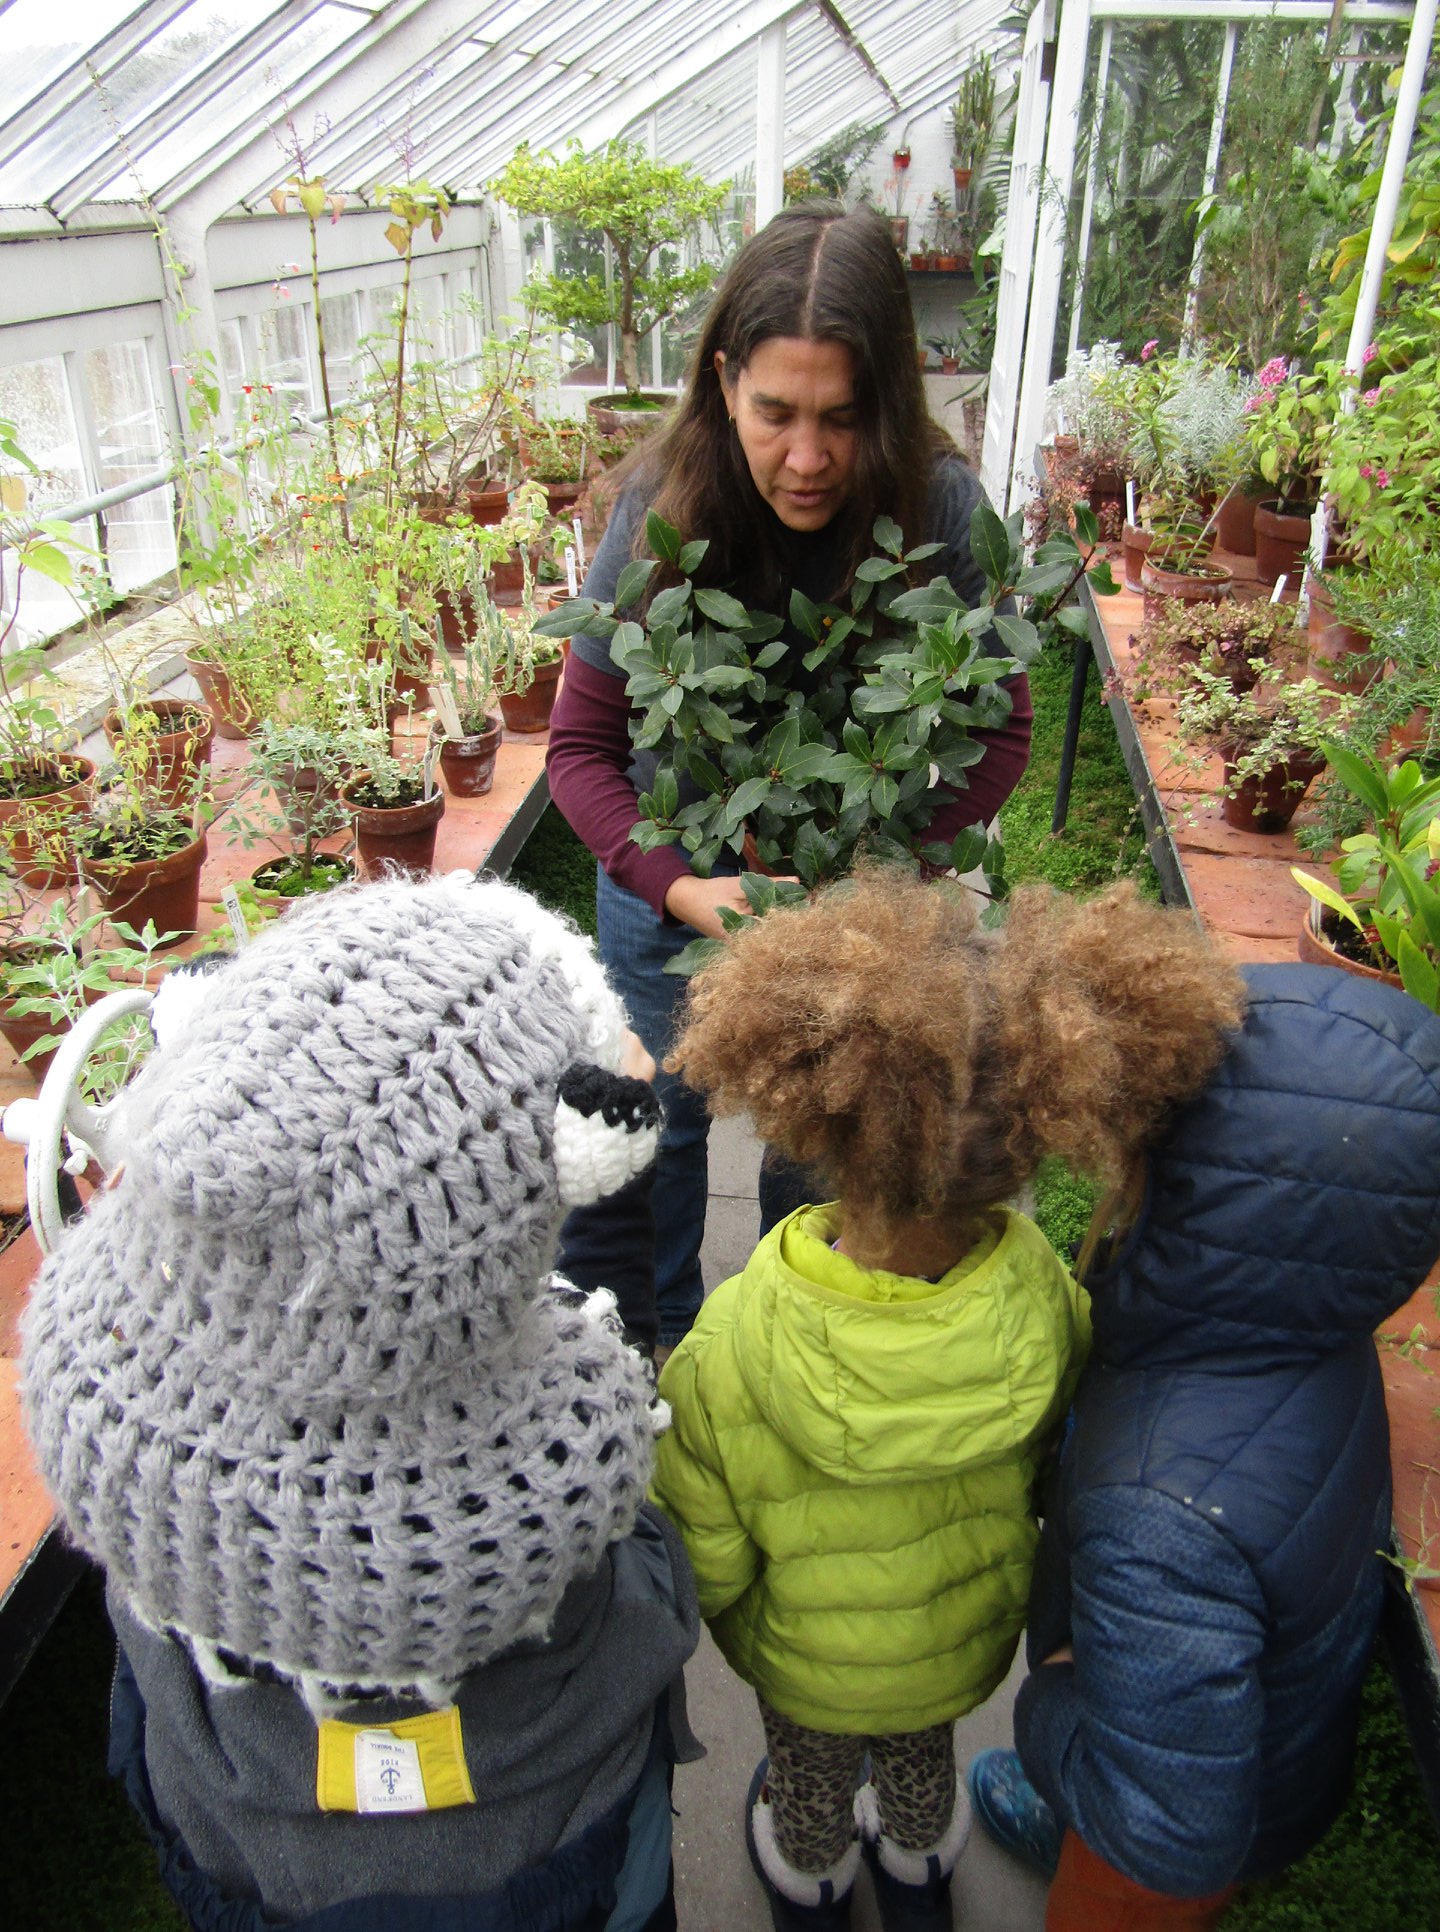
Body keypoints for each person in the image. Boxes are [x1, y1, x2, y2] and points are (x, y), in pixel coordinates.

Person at [21, 874, 700, 1932]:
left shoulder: (117, 1416)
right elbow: (647, 1587)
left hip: (245, 1845)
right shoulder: (547, 1477)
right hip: (546, 1858)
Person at [647, 871, 1249, 1932]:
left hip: (806, 1667)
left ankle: (812, 1883)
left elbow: (709, 1557)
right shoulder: (1053, 1310)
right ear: (1029, 1136)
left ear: (814, 1123)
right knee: (922, 1765)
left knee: (809, 1784)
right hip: (958, 1649)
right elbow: (1050, 1479)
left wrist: (758, 1618)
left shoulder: (728, 1348)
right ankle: (922, 1869)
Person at [547, 201, 1033, 1355]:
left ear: (891, 405)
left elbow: (1001, 733)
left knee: (821, 1152)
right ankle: (642, 1360)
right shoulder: (662, 507)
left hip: (853, 905)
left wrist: (875, 882)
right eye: (775, 413)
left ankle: (781, 1352)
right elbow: (581, 749)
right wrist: (681, 886)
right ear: (724, 381)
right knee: (647, 1142)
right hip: (672, 898)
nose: (807, 459)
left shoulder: (941, 509)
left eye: (842, 420)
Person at [968, 962, 1440, 1932]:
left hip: (1150, 1852)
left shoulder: (1162, 1522)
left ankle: (1068, 1793)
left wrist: (1048, 1710)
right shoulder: (1298, 1317)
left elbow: (1170, 1836)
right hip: (1244, 1727)